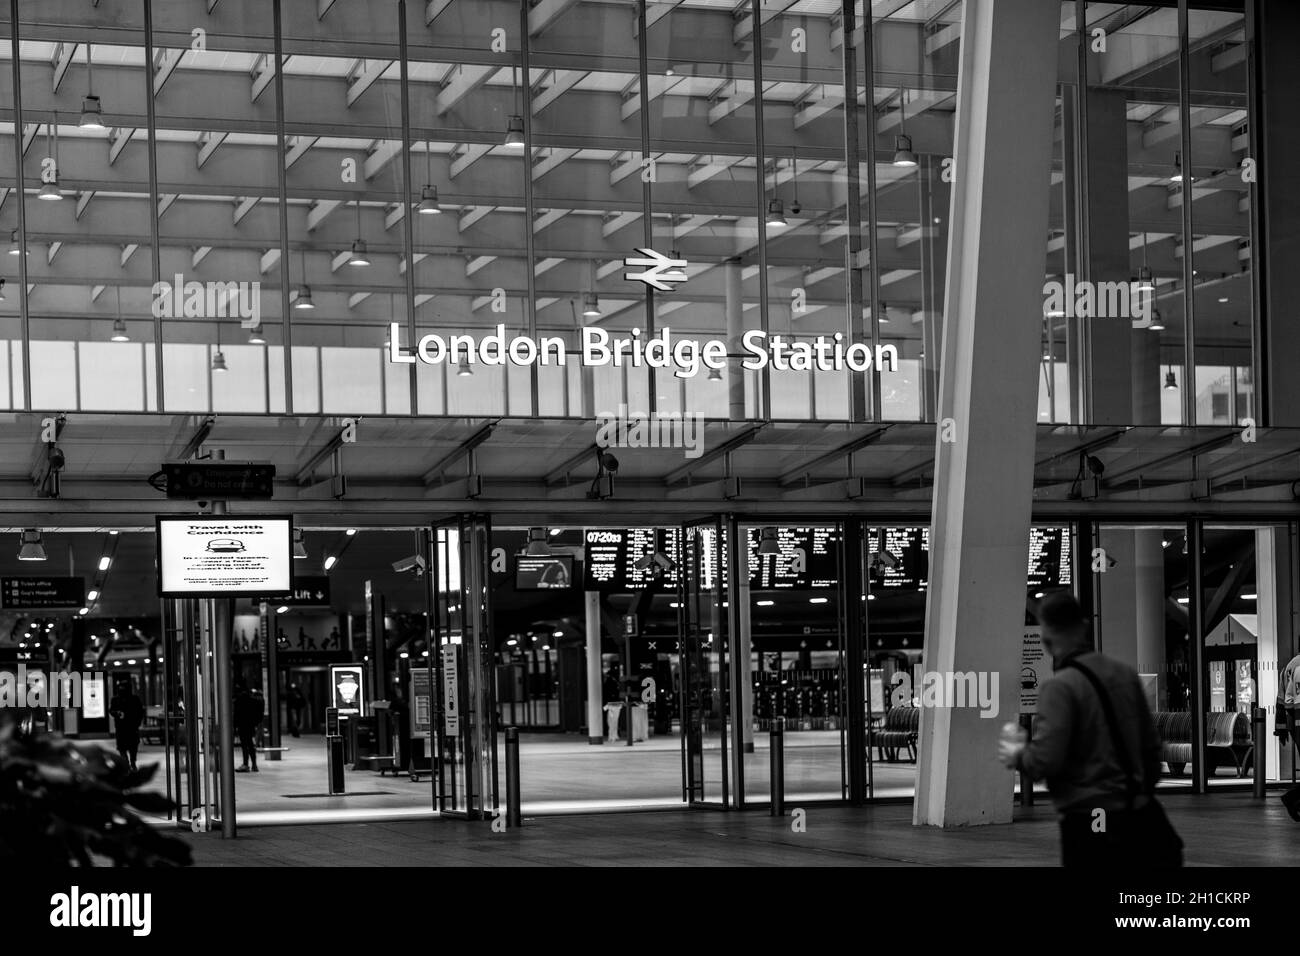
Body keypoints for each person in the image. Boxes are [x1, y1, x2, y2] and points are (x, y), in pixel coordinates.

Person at [998, 591, 1176, 867]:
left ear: (1045, 636)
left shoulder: (1059, 688)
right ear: (1084, 626)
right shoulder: (1124, 675)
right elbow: (1153, 749)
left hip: (1092, 816)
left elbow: (1047, 760)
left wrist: (1018, 755)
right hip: (1141, 812)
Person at [1278, 650, 1300, 822]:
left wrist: (1283, 727)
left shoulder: (1290, 667)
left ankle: (1294, 799)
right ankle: (1293, 798)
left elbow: (1284, 700)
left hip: (1295, 722)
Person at [108, 683, 145, 772]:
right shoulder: (116, 699)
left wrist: (137, 723)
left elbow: (140, 712)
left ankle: (131, 763)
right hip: (122, 727)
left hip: (131, 727)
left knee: (132, 747)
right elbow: (112, 711)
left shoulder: (134, 699)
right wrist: (117, 713)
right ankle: (127, 763)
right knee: (123, 747)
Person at [233, 683, 265, 773]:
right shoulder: (253, 699)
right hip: (250, 725)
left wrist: (234, 726)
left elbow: (236, 714)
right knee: (250, 744)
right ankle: (254, 764)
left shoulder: (239, 699)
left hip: (242, 725)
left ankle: (245, 764)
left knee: (244, 745)